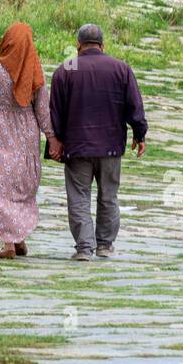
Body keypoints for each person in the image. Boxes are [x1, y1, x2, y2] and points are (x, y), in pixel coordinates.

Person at [49, 23, 147, 262]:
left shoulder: (65, 70)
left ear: (78, 45)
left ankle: (83, 248)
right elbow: (134, 106)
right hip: (110, 146)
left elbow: (55, 111)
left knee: (79, 196)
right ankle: (104, 244)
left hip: (77, 146)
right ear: (103, 46)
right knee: (109, 195)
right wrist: (139, 134)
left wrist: (56, 141)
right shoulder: (121, 69)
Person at [0, 22, 62, 259]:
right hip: (26, 133)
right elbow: (43, 109)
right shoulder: (35, 70)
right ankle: (18, 239)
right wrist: (51, 138)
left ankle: (9, 243)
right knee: (20, 187)